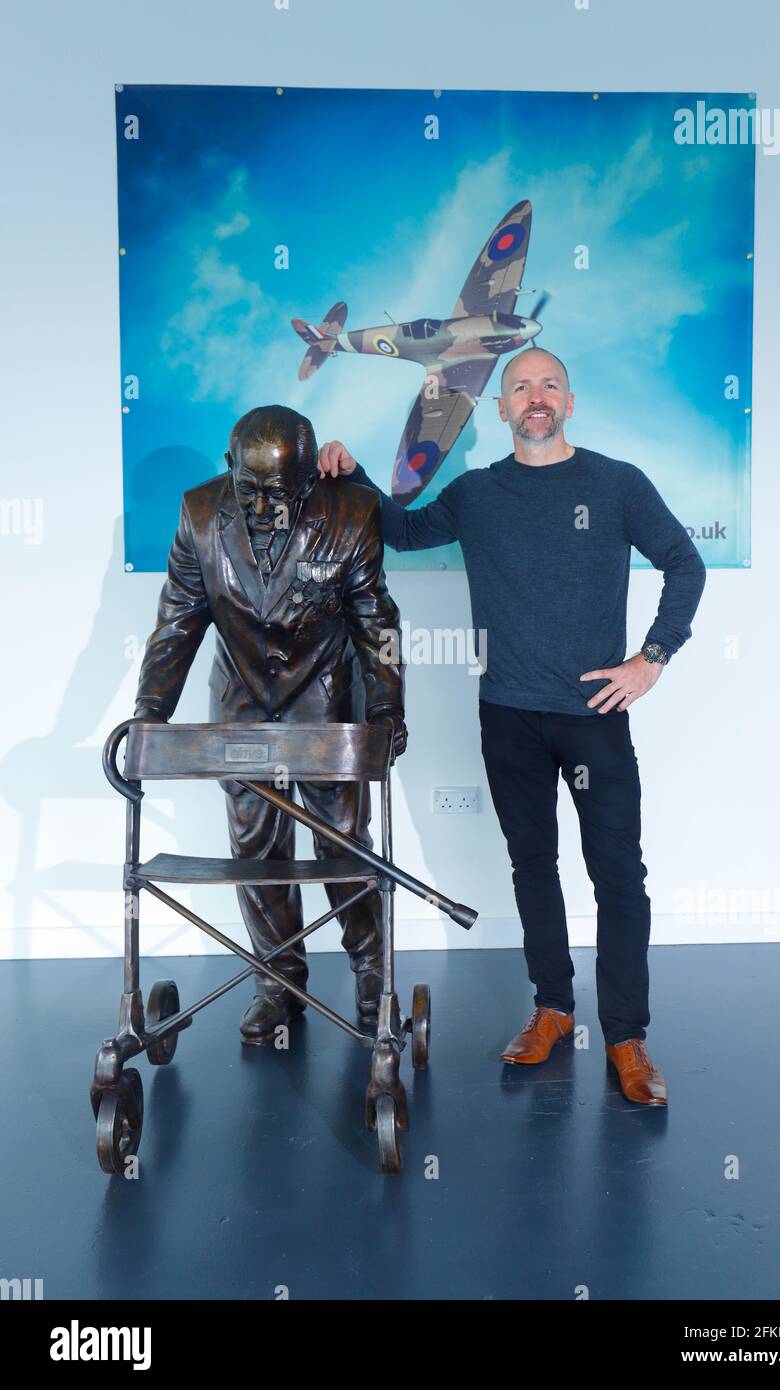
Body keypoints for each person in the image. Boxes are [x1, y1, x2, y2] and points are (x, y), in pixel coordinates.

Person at [316, 348, 707, 1103]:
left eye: (549, 384)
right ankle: (553, 1010)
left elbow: (683, 564)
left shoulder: (617, 484)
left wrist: (650, 660)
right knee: (534, 866)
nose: (536, 396)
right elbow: (397, 532)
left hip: (594, 717)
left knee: (619, 877)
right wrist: (353, 469)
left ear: (569, 401)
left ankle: (626, 1036)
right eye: (520, 386)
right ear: (500, 409)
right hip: (507, 717)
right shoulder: (476, 494)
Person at [134, 404, 407, 1044]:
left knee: (343, 847)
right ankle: (276, 987)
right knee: (257, 852)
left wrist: (388, 707)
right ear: (230, 468)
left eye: (276, 492)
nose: (260, 506)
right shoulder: (200, 513)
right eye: (247, 488)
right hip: (242, 703)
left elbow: (378, 624)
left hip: (325, 700)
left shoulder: (355, 513)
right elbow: (178, 622)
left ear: (311, 479)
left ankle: (373, 976)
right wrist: (149, 716)